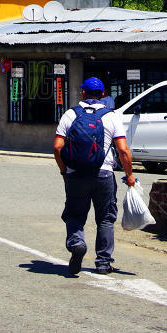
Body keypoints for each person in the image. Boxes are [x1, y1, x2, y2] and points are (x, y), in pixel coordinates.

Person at [53, 76, 136, 276]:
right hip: (104, 173)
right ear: (103, 94)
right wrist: (130, 175)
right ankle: (103, 263)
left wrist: (65, 171)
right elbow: (123, 151)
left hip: (75, 174)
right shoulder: (111, 116)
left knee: (75, 214)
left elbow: (57, 147)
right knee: (105, 218)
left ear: (83, 93)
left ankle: (77, 243)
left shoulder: (70, 114)